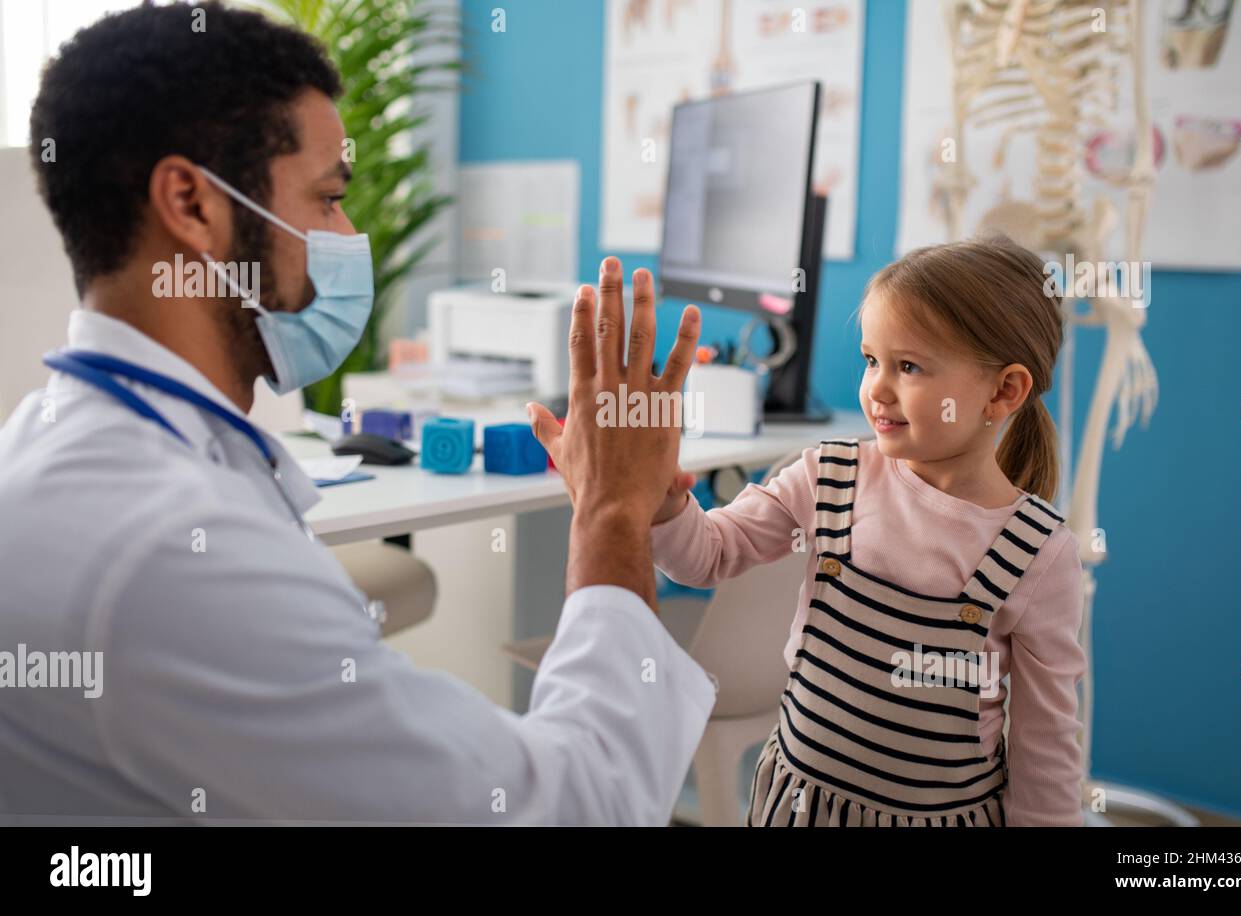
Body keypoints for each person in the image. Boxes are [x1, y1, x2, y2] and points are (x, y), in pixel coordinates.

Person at [0, 1, 713, 825]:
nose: (348, 235)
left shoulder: (59, 437)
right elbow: (574, 810)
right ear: (192, 204)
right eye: (328, 199)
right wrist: (613, 515)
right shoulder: (172, 550)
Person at [645, 236, 1087, 826]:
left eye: (909, 366)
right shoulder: (828, 476)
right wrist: (663, 506)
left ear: (1004, 391)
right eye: (871, 360)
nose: (877, 387)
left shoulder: (1039, 554)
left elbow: (1046, 747)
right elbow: (707, 557)